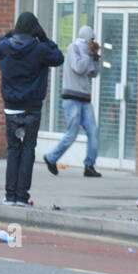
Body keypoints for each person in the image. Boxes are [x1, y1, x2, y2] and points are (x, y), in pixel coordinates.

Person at [0, 12, 64, 206]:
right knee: (28, 149)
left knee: (13, 149)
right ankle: (22, 196)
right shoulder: (40, 49)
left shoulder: (5, 47)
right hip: (32, 107)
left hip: (12, 107)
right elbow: (58, 57)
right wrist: (45, 38)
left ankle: (10, 195)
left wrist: (7, 35)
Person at [44, 26, 102, 178]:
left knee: (93, 132)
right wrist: (88, 54)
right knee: (72, 133)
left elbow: (94, 73)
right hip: (71, 98)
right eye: (91, 39)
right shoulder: (73, 47)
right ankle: (51, 158)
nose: (92, 42)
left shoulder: (89, 52)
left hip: (85, 98)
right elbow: (79, 68)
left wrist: (95, 57)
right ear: (86, 38)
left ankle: (89, 165)